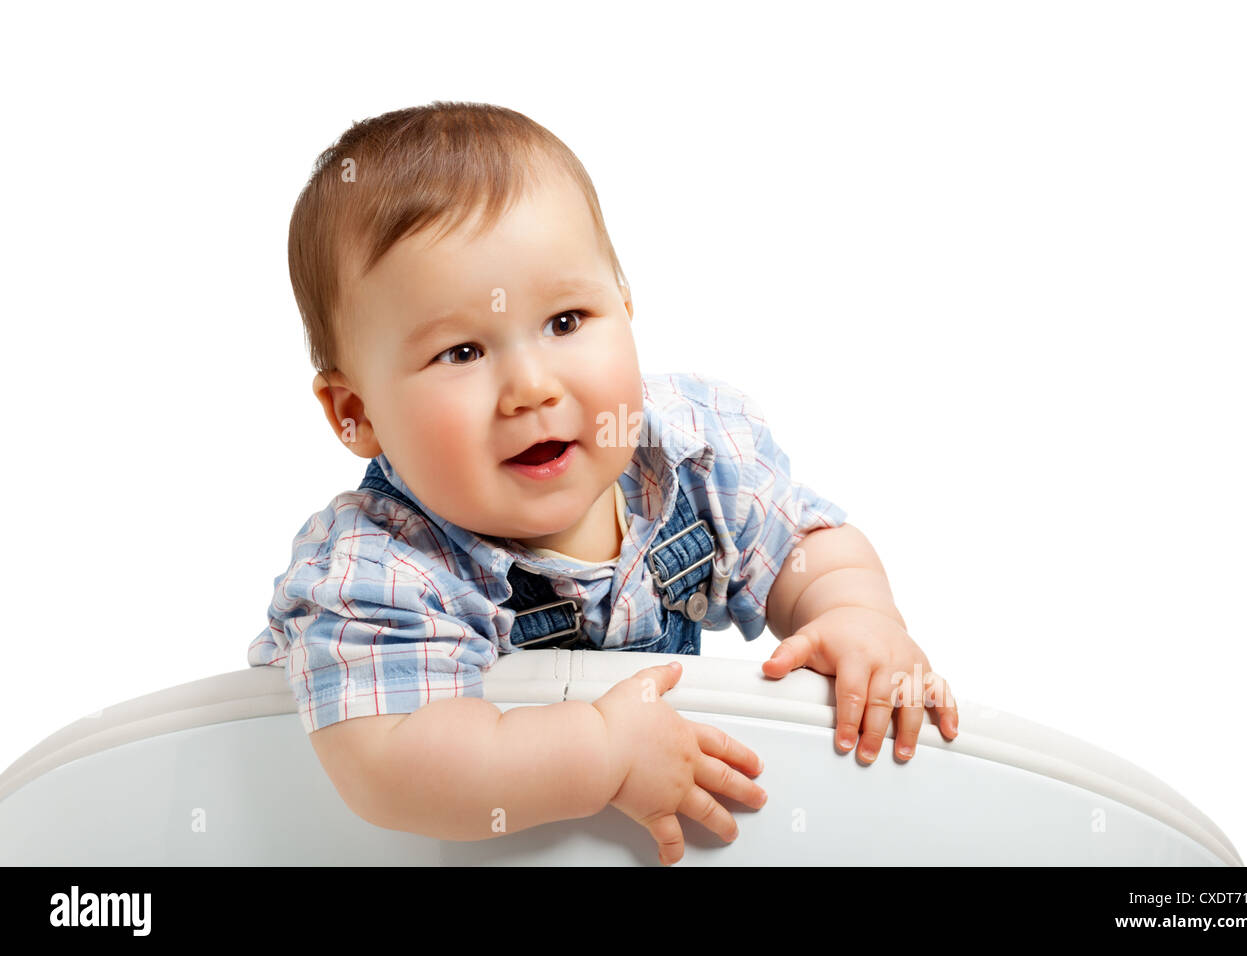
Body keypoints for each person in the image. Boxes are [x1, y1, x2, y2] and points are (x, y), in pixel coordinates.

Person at [247, 101, 959, 864]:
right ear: (357, 412)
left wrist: (858, 617)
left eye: (565, 321)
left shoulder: (686, 452)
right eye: (460, 352)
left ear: (624, 304)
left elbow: (800, 546)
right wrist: (600, 752)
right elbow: (391, 764)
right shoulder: (377, 568)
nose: (531, 387)